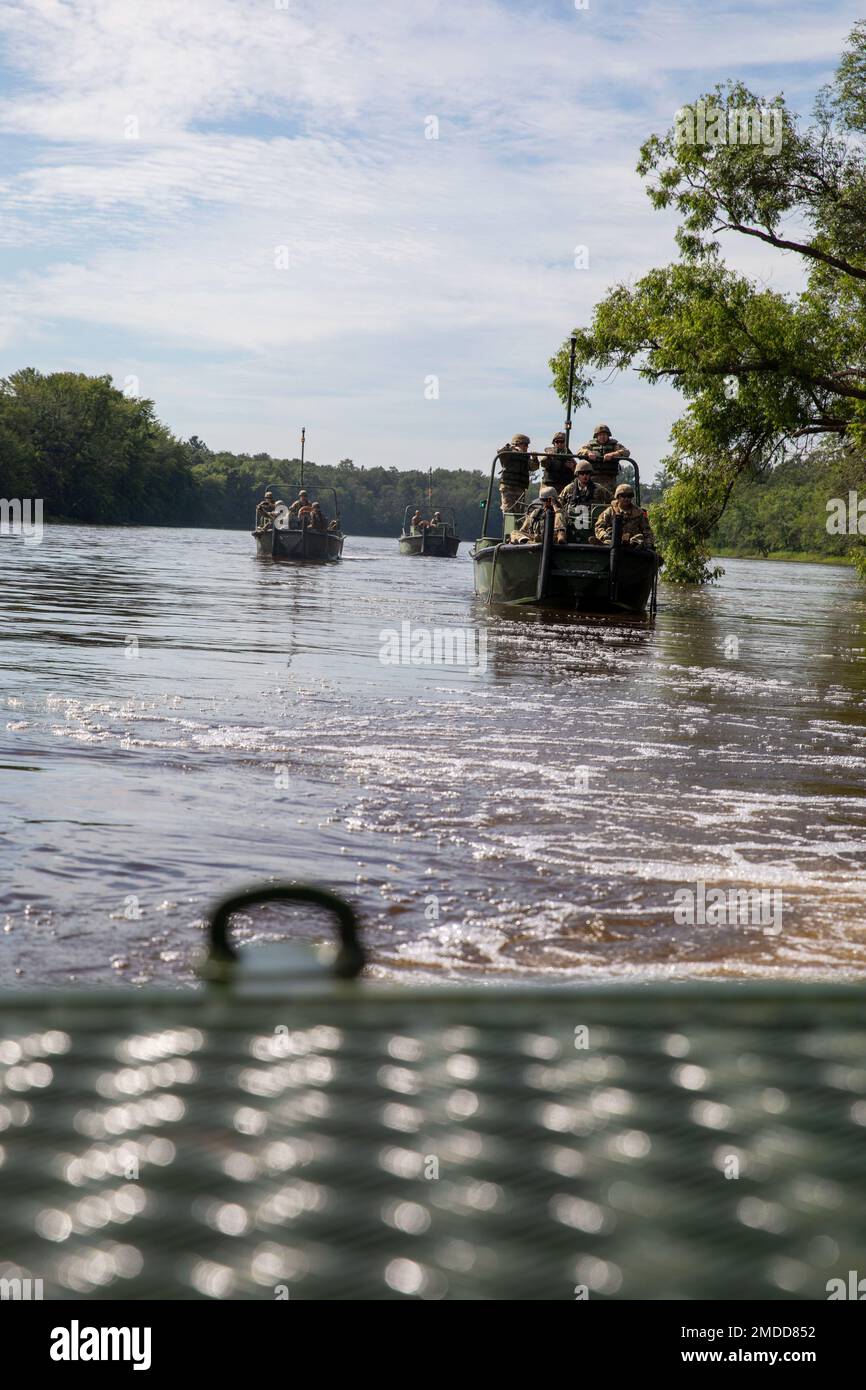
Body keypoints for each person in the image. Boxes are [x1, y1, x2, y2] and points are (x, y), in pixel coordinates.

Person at [594, 483, 655, 548]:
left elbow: (647, 531)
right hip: (612, 541)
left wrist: (648, 544)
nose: (626, 499)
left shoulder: (639, 513)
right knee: (609, 534)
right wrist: (603, 535)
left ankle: (631, 545)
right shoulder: (610, 511)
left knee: (639, 537)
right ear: (618, 497)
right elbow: (599, 527)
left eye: (629, 496)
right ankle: (605, 544)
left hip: (633, 545)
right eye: (623, 496)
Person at [497, 433, 532, 515]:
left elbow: (533, 467)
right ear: (518, 444)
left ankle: (517, 528)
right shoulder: (508, 453)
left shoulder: (526, 456)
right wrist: (511, 447)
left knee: (519, 512)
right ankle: (509, 527)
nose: (527, 447)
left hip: (520, 488)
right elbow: (500, 452)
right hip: (508, 487)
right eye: (525, 444)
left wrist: (534, 458)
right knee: (508, 510)